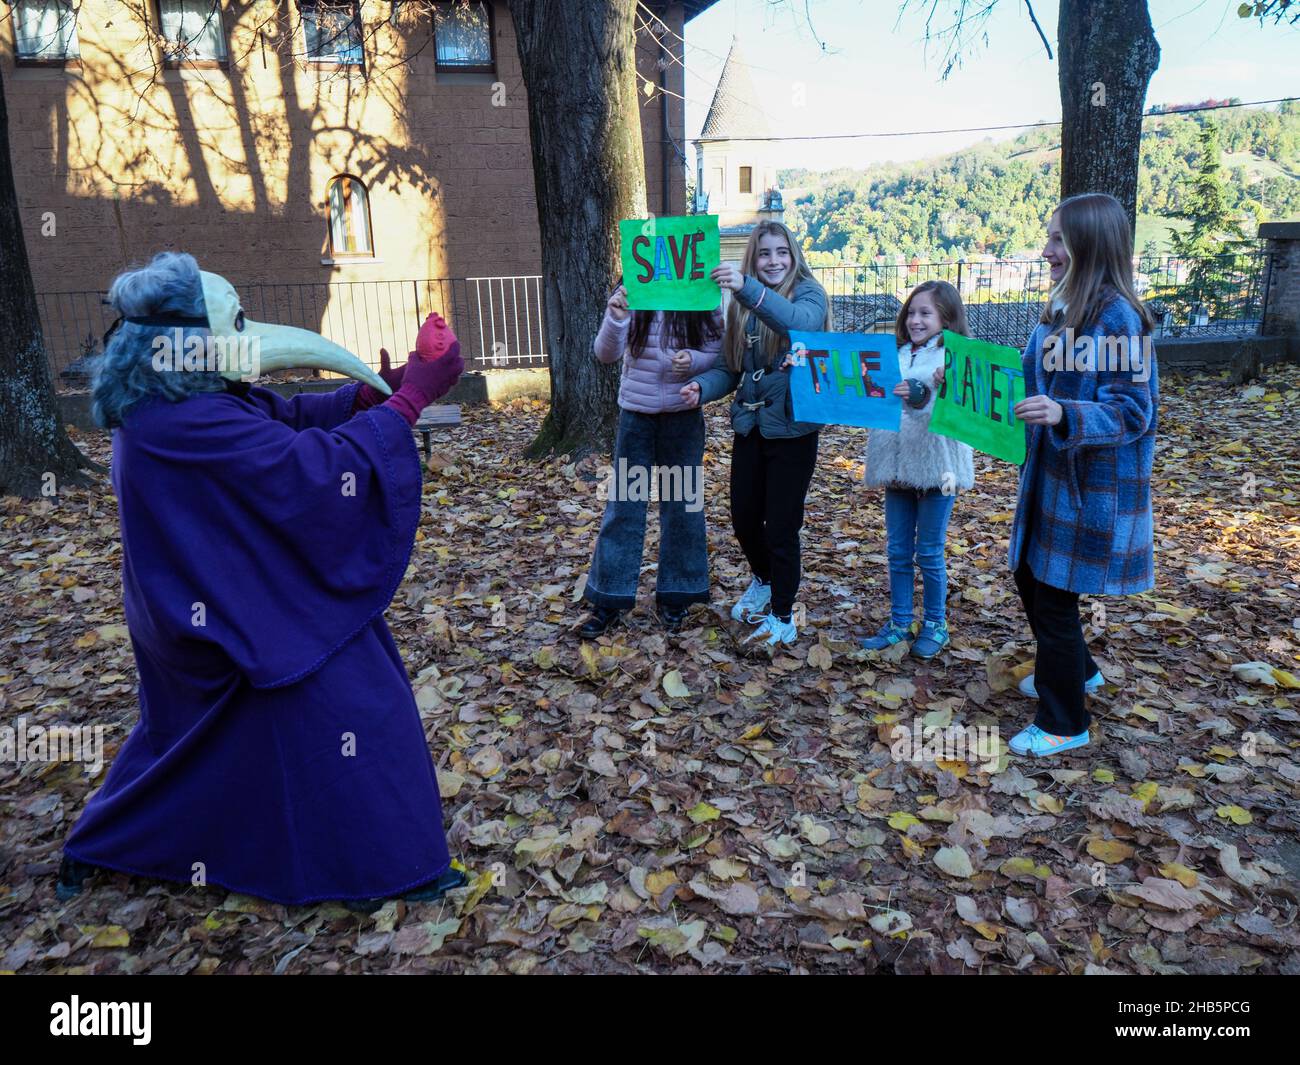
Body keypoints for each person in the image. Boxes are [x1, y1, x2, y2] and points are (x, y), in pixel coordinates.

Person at [58, 252, 466, 910]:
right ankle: (391, 865)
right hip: (213, 615)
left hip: (200, 602)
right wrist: (412, 398)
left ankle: (114, 839)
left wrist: (369, 395)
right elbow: (309, 468)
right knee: (358, 696)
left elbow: (277, 420)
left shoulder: (172, 402)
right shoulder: (183, 421)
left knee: (194, 743)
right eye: (234, 322)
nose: (247, 336)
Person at [1008, 193, 1158, 758]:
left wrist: (1066, 413)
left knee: (1051, 594)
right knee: (1031, 576)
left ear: (1087, 246)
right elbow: (1032, 379)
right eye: (1049, 239)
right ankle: (1079, 670)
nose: (1046, 251)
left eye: (1056, 241)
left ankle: (1064, 722)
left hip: (1089, 487)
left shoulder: (1119, 316)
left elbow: (1133, 411)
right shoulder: (1063, 306)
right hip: (1049, 477)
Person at [682, 220, 831, 647]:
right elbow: (730, 369)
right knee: (744, 517)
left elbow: (799, 323)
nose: (774, 261)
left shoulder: (809, 293)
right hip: (750, 428)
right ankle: (763, 580)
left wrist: (747, 286)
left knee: (781, 526)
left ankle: (784, 615)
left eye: (781, 252)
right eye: (764, 253)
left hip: (794, 429)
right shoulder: (742, 306)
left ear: (793, 254)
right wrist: (700, 388)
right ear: (754, 256)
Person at [579, 283, 724, 636]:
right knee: (625, 506)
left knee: (682, 506)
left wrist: (694, 360)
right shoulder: (632, 286)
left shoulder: (699, 288)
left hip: (683, 416)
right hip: (636, 418)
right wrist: (615, 318)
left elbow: (718, 349)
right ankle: (609, 598)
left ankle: (677, 595)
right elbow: (605, 353)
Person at [860, 280, 975, 659]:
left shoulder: (954, 359)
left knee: (928, 551)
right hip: (896, 467)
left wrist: (932, 391)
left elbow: (959, 407)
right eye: (911, 311)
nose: (915, 319)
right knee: (896, 550)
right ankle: (899, 621)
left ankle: (936, 623)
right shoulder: (894, 355)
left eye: (925, 312)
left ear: (947, 317)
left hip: (938, 468)